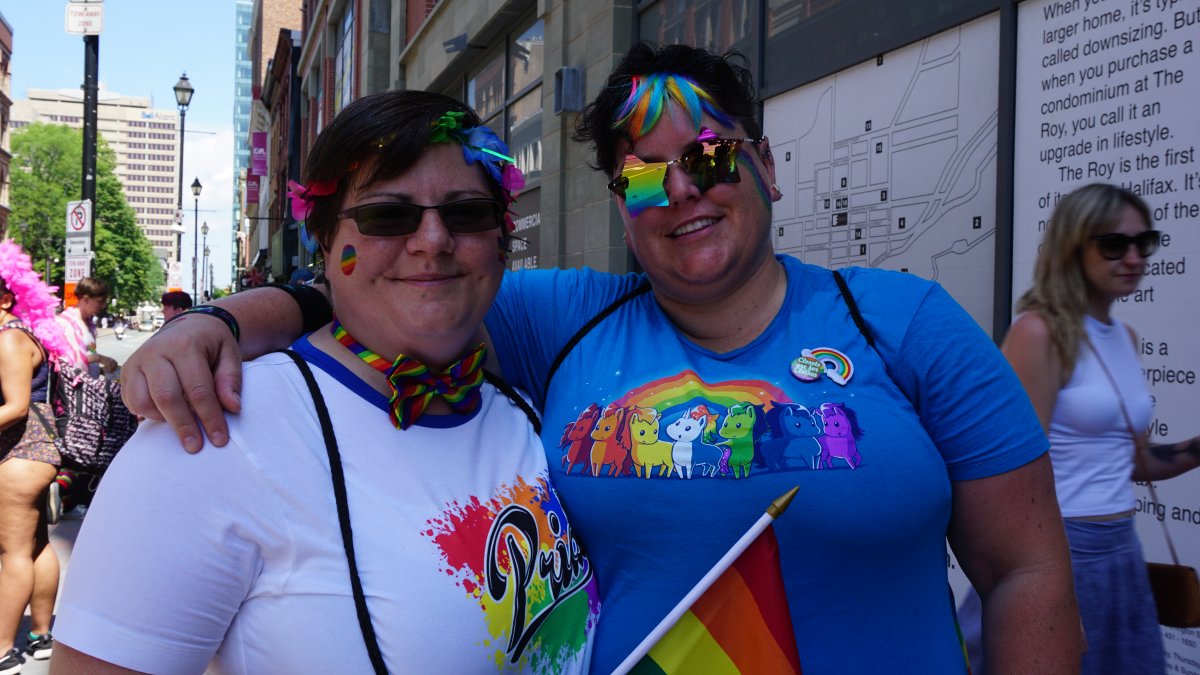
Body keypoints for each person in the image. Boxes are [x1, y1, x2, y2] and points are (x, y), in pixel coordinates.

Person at [119, 44, 1080, 673]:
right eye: (643, 176)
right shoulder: (567, 318)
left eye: (705, 159)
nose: (680, 195)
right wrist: (220, 323)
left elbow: (1026, 570)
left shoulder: (906, 326)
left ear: (767, 165)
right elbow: (384, 289)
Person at [49, 91, 599, 674]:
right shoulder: (216, 435)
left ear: (500, 238)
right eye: (388, 215)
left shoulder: (518, 402)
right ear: (328, 243)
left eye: (466, 213)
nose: (433, 240)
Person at [959, 183, 1200, 673]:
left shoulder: (1123, 337)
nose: (1133, 257)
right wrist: (1047, 593)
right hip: (1061, 552)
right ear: (1075, 248)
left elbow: (1132, 461)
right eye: (1114, 244)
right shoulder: (1039, 333)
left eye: (1143, 242)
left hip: (1119, 553)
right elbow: (1011, 476)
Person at [0, 240, 70, 674]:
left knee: (12, 552)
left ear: (6, 296)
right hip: (33, 453)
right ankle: (42, 634)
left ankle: (3, 647)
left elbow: (16, 406)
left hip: (21, 453)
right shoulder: (18, 334)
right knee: (36, 544)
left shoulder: (8, 340)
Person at [55, 277, 117, 377]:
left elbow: (88, 353)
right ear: (86, 299)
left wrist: (100, 370)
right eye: (100, 301)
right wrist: (99, 358)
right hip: (73, 390)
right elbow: (68, 362)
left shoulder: (89, 324)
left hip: (87, 387)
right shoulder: (65, 323)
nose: (103, 306)